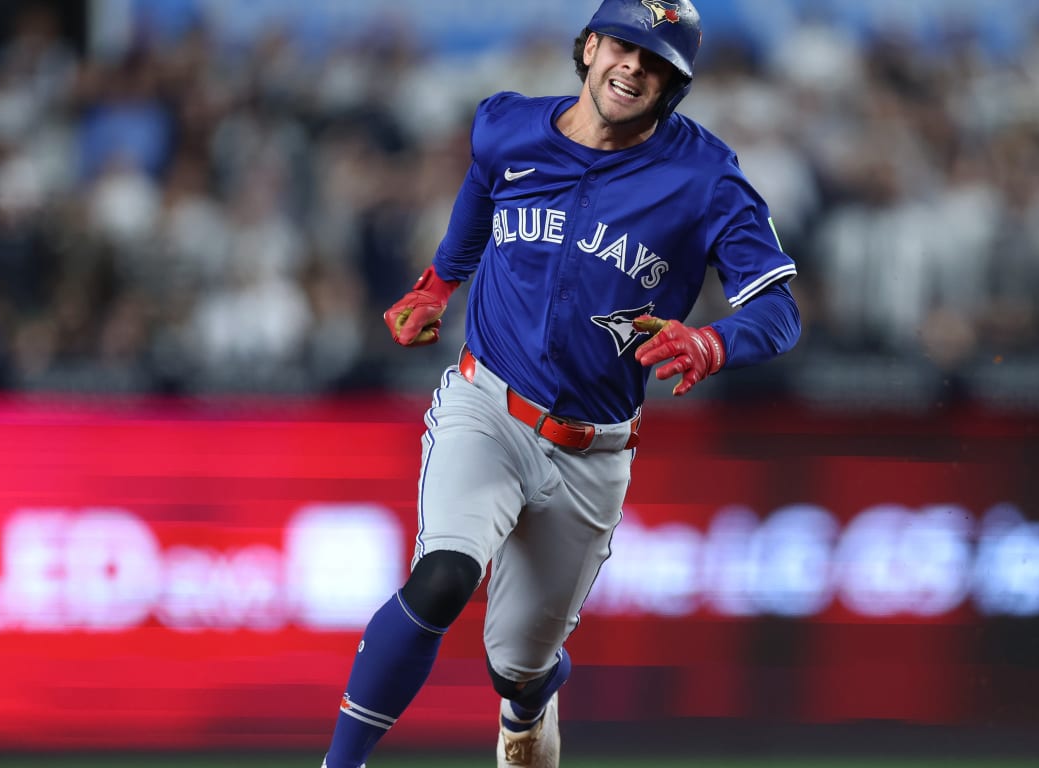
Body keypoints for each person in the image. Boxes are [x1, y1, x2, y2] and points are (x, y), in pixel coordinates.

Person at [320, 2, 801, 766]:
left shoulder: (705, 177)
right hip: (488, 404)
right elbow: (482, 185)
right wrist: (439, 282)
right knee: (443, 577)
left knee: (515, 663)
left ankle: (529, 694)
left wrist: (713, 342)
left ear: (675, 86)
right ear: (588, 47)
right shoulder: (507, 126)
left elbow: (779, 310)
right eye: (624, 46)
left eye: (657, 64)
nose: (634, 69)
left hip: (591, 451)